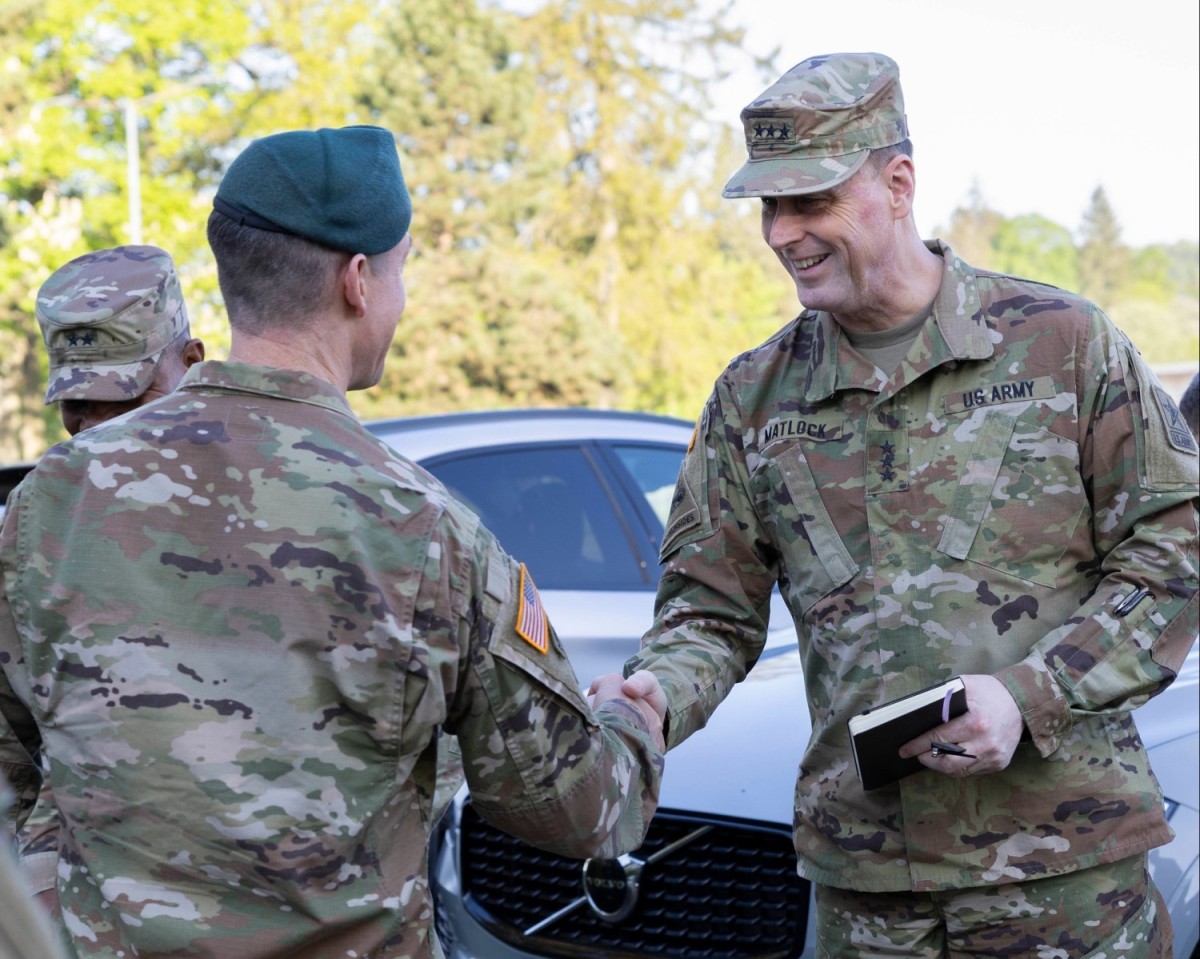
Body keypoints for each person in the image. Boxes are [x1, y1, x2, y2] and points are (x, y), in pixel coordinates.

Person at [0, 125, 665, 959]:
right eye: (402, 268)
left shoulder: (47, 504)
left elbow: (21, 763)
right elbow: (579, 808)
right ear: (359, 281)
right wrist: (627, 721)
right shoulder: (425, 528)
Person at [626, 52, 1198, 957]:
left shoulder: (1063, 345)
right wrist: (657, 695)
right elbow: (708, 610)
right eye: (769, 207)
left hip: (1060, 876)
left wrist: (1031, 692)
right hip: (866, 892)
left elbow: (1174, 549)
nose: (783, 233)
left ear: (898, 183)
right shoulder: (753, 397)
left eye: (810, 201)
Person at [36, 244, 206, 436]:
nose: (93, 424)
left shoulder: (236, 460)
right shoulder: (57, 466)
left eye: (125, 396)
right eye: (75, 402)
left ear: (192, 365)